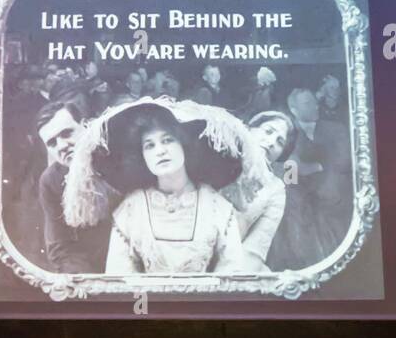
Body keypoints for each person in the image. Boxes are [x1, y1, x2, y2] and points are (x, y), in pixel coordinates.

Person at [63, 99, 268, 277]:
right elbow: (120, 279)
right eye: (149, 145)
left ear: (185, 146)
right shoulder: (131, 209)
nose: (160, 151)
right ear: (142, 156)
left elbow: (231, 276)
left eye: (168, 140)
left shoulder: (218, 208)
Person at [36, 101, 115, 273]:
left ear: (84, 125)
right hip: (94, 273)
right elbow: (60, 247)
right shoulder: (51, 181)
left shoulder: (116, 155)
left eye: (67, 133)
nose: (62, 146)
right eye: (52, 143)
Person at [277, 88, 353, 268]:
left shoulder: (336, 129)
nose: (315, 106)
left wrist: (314, 166)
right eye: (307, 103)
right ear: (294, 110)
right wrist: (311, 166)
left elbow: (344, 162)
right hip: (301, 199)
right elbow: (290, 172)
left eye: (314, 102)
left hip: (333, 196)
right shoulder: (286, 133)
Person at [226, 110, 292, 270]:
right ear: (249, 129)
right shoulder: (217, 157)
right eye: (268, 131)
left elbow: (254, 250)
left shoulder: (275, 188)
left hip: (235, 268)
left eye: (280, 142)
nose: (271, 142)